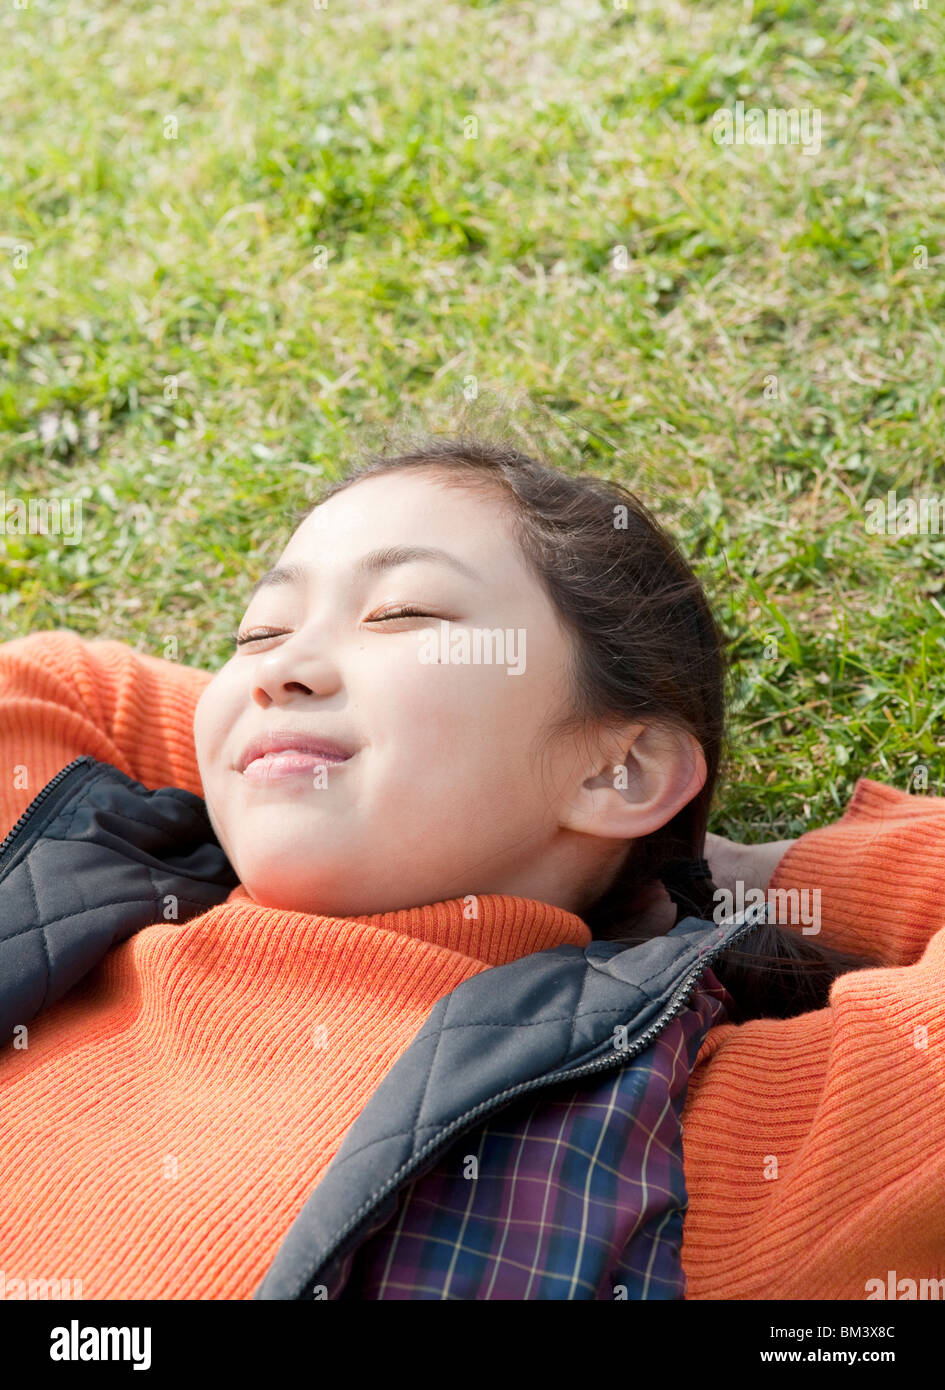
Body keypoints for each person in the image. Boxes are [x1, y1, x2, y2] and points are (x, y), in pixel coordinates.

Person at [0, 434, 942, 1300]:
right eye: (259, 633)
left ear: (621, 768)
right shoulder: (63, 902)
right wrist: (281, 742)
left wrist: (747, 868)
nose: (273, 670)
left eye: (402, 613)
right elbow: (46, 680)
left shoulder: (694, 1131)